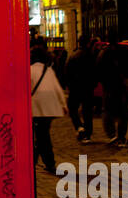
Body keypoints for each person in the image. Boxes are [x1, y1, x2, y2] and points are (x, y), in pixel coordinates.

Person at [30, 44, 68, 174]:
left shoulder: (30, 70)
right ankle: (45, 161)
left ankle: (41, 161)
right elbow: (57, 88)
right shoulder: (48, 70)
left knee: (41, 135)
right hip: (50, 107)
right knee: (43, 134)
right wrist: (63, 104)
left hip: (37, 108)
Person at [96, 28, 128, 146]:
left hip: (109, 86)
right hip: (121, 86)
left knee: (108, 111)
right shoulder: (125, 51)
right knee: (123, 113)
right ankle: (121, 136)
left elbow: (98, 70)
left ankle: (112, 135)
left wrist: (103, 82)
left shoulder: (104, 53)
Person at [65, 34, 98, 142]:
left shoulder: (73, 56)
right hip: (87, 87)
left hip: (75, 87)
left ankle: (79, 127)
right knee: (87, 111)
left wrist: (69, 85)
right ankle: (87, 133)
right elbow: (95, 72)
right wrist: (93, 84)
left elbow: (67, 73)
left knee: (73, 108)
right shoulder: (91, 56)